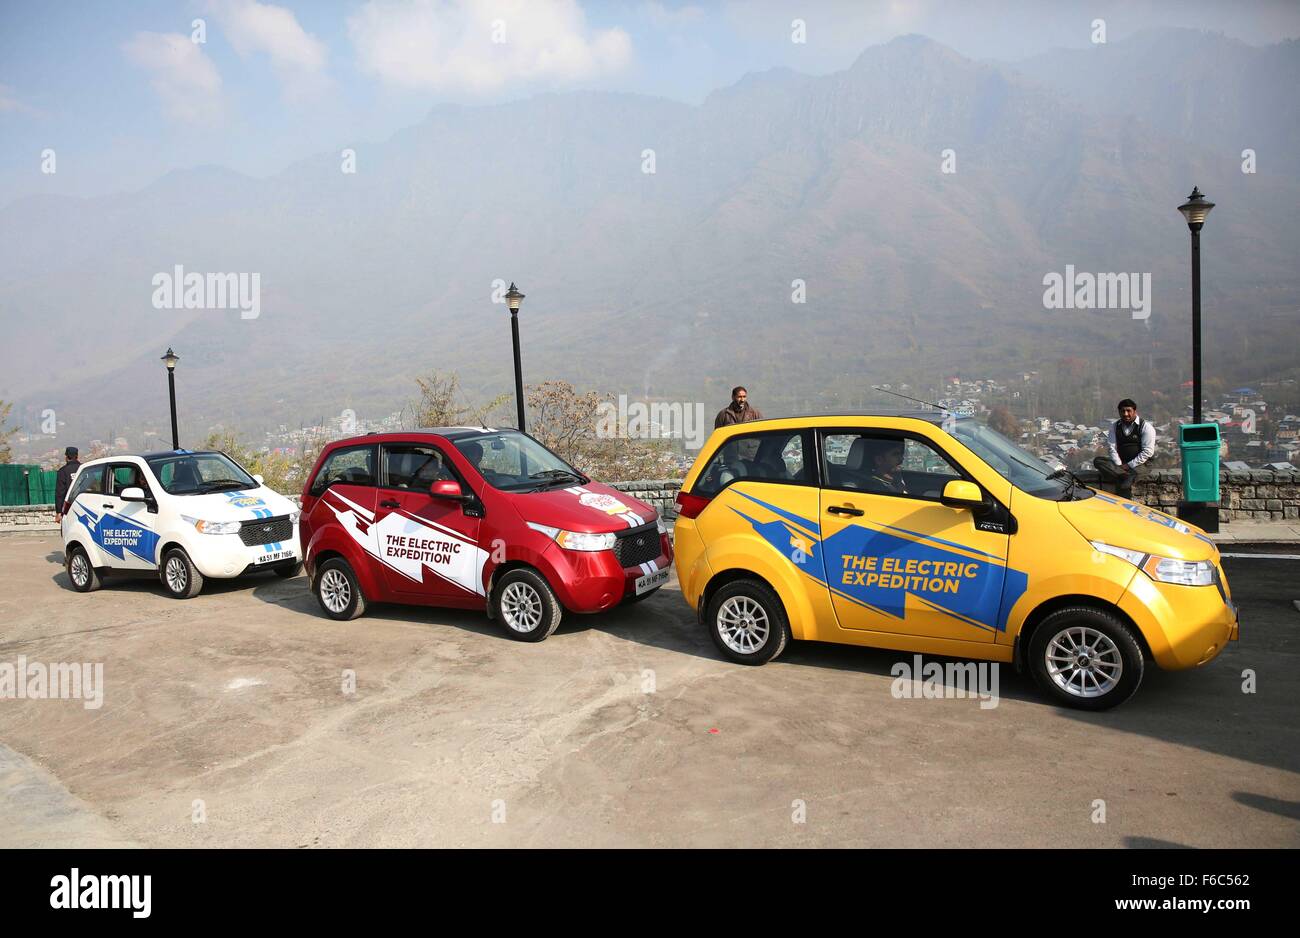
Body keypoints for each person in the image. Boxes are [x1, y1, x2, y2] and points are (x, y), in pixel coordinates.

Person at [1094, 398, 1156, 499]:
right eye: (1123, 411)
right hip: (1121, 463)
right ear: (1119, 412)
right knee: (1098, 461)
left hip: (1141, 463)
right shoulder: (1115, 426)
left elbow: (1147, 452)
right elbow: (1112, 447)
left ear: (1135, 411)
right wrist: (1119, 465)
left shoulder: (1145, 427)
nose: (1126, 414)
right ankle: (1124, 476)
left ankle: (1123, 481)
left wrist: (1129, 465)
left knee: (1129, 479)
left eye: (1128, 411)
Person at [53, 446, 81, 523]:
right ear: (77, 456)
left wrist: (59, 512)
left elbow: (60, 493)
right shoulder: (84, 468)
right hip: (85, 505)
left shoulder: (62, 471)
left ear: (66, 457)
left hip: (69, 508)